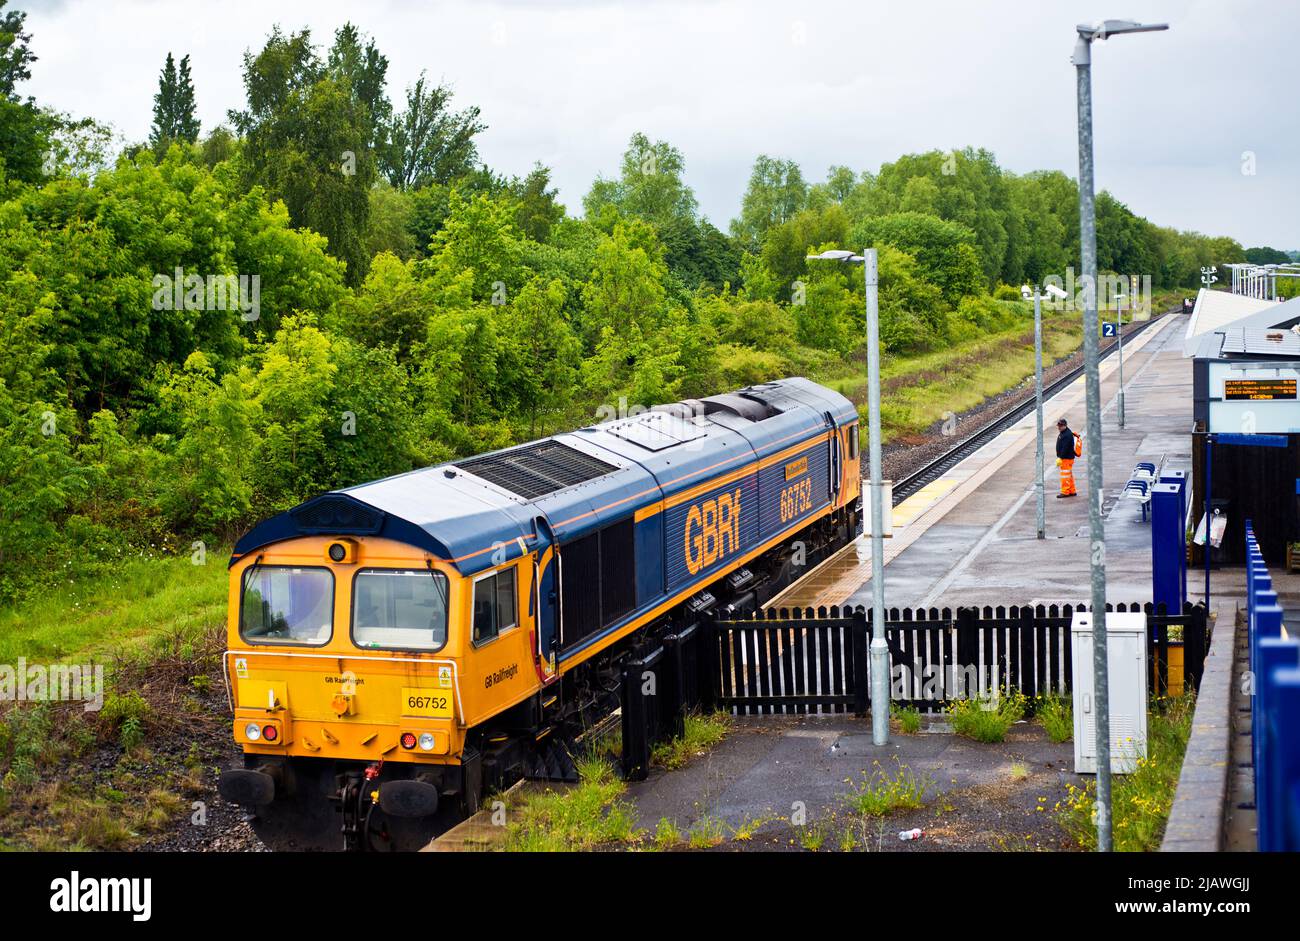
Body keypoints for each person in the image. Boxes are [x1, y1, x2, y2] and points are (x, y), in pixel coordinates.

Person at [1055, 418, 1081, 498]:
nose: (1059, 427)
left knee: (1065, 475)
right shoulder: (1064, 432)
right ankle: (1072, 491)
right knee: (1069, 475)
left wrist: (1060, 457)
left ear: (1065, 426)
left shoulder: (1067, 435)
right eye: (1058, 426)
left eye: (1061, 426)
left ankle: (1065, 491)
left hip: (1066, 458)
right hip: (1067, 458)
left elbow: (1065, 447)